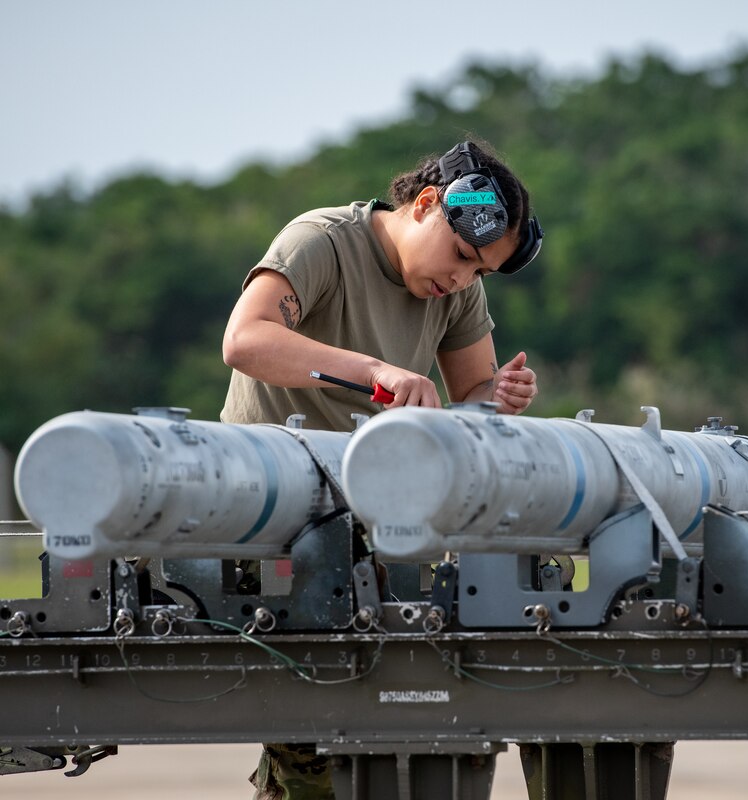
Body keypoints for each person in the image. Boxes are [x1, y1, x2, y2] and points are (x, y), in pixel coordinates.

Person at [220, 141, 543, 800]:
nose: (462, 281)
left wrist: (497, 398)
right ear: (425, 204)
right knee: (315, 739)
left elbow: (466, 402)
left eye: (481, 272)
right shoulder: (322, 242)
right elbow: (245, 341)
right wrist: (374, 371)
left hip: (376, 526)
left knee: (401, 728)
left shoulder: (455, 294)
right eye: (461, 258)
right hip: (270, 517)